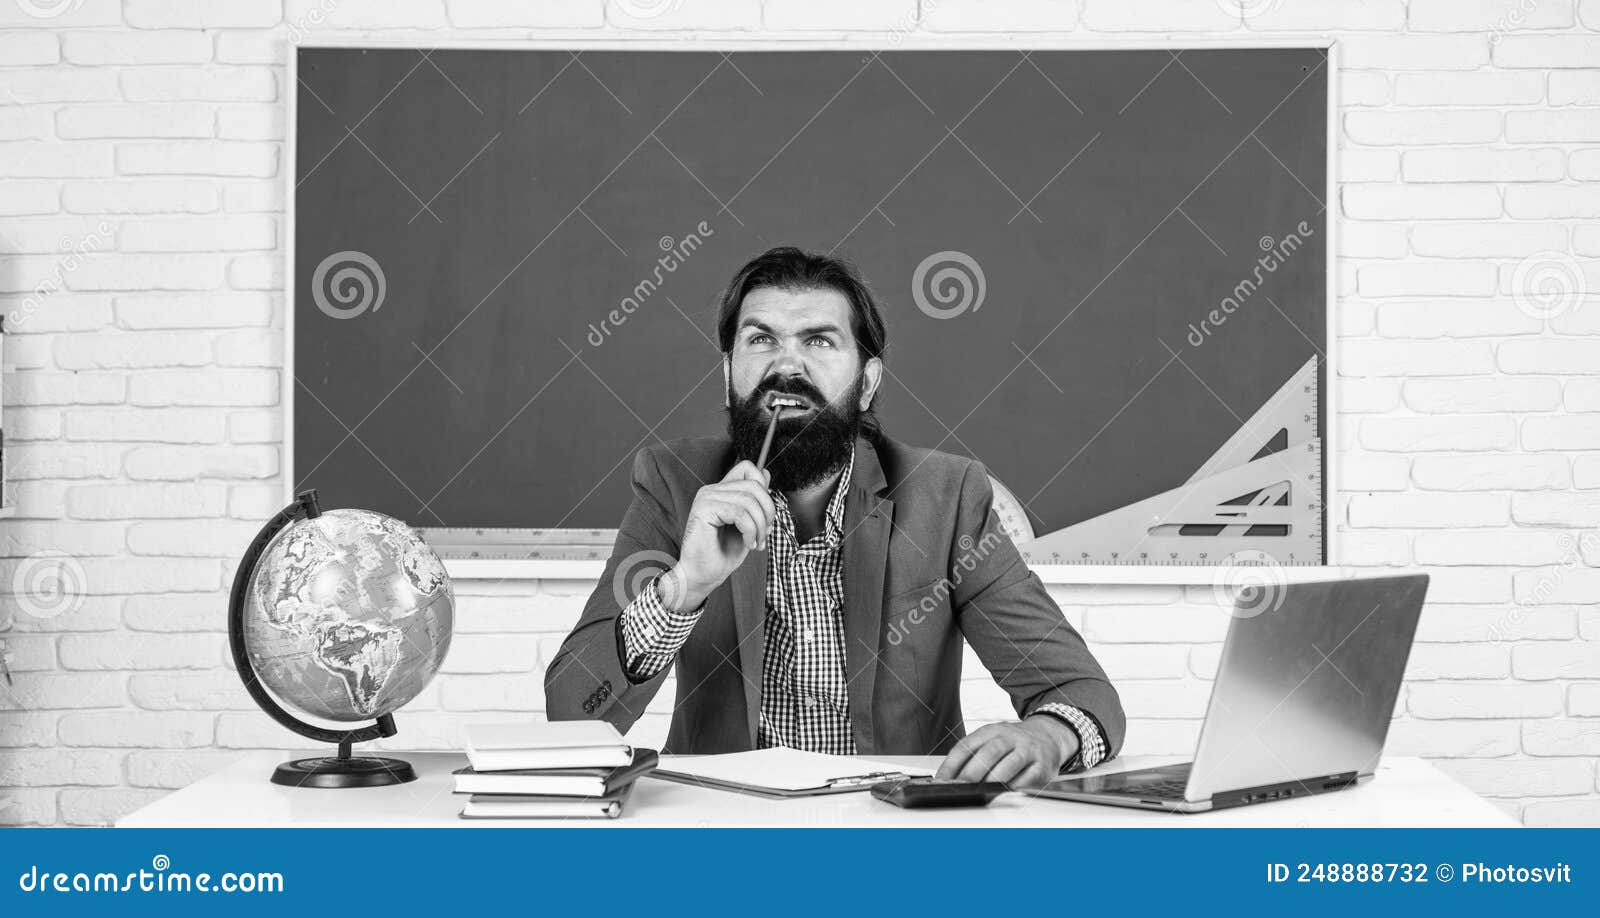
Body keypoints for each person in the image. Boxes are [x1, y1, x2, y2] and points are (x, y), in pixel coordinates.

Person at [545, 246, 1124, 787]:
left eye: (819, 341)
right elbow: (571, 712)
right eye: (761, 339)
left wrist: (1048, 735)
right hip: (722, 826)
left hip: (894, 832)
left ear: (866, 382)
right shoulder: (675, 485)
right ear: (729, 371)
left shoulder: (947, 497)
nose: (787, 365)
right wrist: (684, 587)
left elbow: (1081, 691)